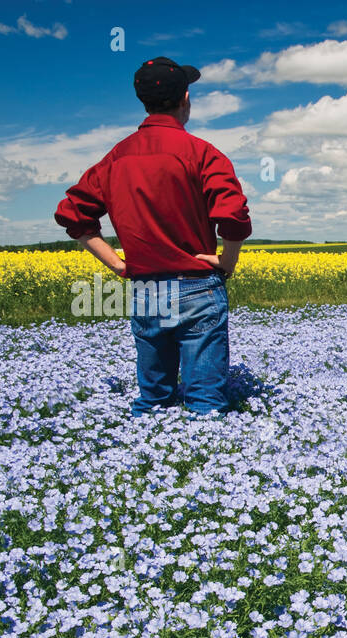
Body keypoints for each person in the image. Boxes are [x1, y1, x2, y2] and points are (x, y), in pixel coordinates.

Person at [54, 56, 252, 416]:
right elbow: (233, 214)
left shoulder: (116, 157)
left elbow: (72, 213)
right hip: (198, 287)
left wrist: (117, 265)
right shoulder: (203, 153)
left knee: (153, 402)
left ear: (143, 101)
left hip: (148, 290)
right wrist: (228, 260)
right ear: (185, 99)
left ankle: (142, 461)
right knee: (206, 405)